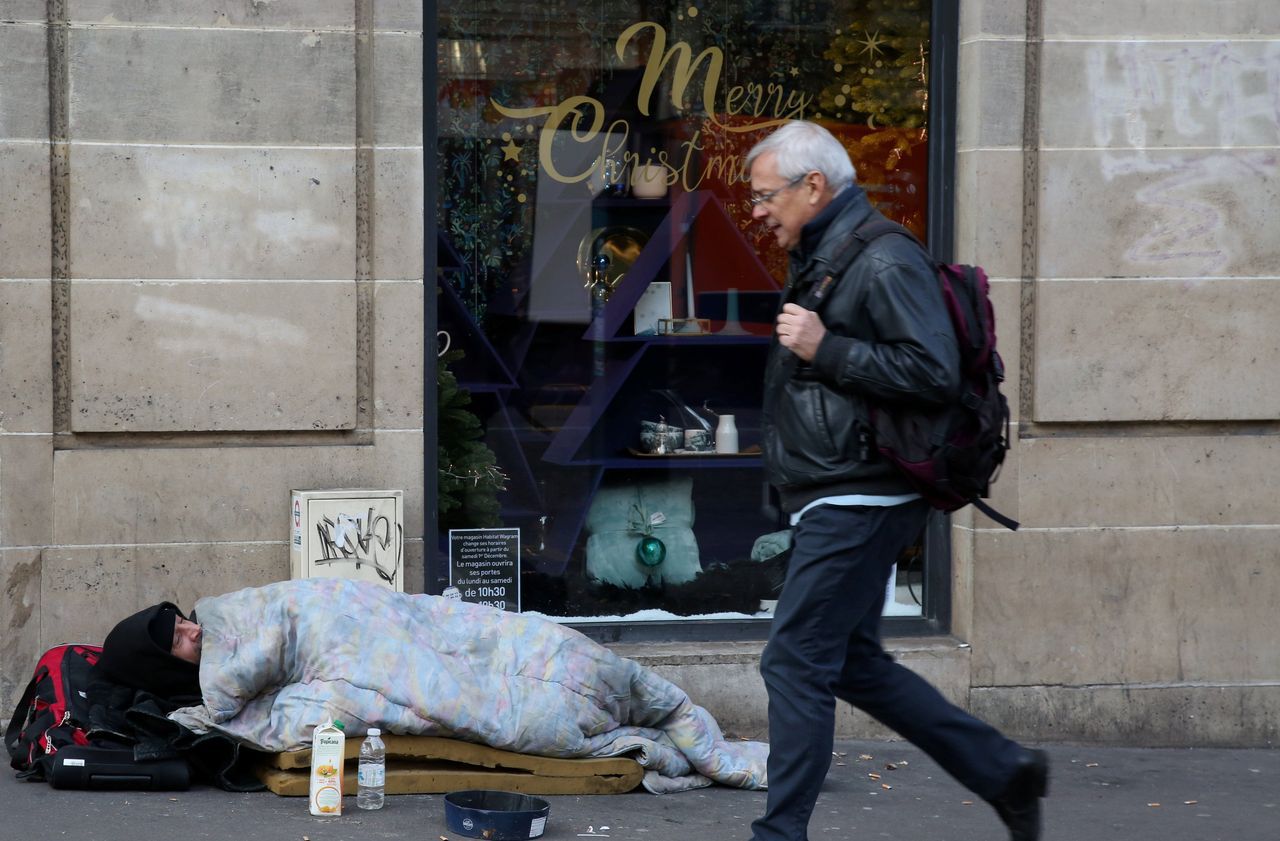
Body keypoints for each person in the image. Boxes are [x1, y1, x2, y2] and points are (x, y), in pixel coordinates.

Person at [744, 120, 1048, 841]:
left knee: (793, 659)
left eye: (765, 196)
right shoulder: (831, 251)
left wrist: (827, 348)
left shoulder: (882, 259)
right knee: (850, 660)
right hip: (846, 489)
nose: (757, 211)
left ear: (812, 186)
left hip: (863, 492)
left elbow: (933, 372)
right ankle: (1003, 769)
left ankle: (778, 836)